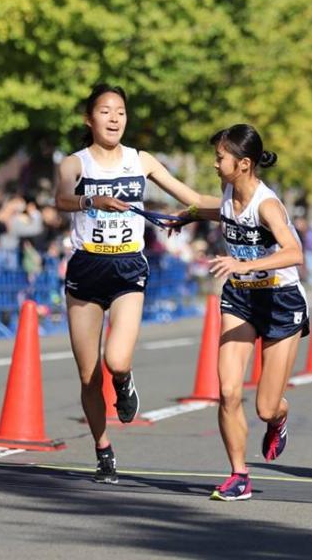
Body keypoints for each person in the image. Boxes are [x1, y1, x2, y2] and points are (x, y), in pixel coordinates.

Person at [54, 83, 217, 484]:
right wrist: (94, 201)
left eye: (121, 112)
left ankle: (124, 383)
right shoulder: (75, 164)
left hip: (128, 268)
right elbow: (60, 200)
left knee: (116, 361)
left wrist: (244, 207)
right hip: (86, 269)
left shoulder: (140, 160)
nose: (114, 118)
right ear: (89, 119)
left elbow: (191, 196)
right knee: (89, 375)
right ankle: (103, 449)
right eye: (106, 111)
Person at [187, 124, 308, 502]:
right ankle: (239, 474)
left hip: (280, 300)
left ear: (243, 164)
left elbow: (294, 253)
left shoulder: (267, 204)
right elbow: (212, 209)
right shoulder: (228, 193)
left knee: (265, 405)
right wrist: (184, 215)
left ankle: (279, 416)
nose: (214, 162)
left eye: (220, 157)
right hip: (240, 299)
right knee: (227, 391)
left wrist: (242, 265)